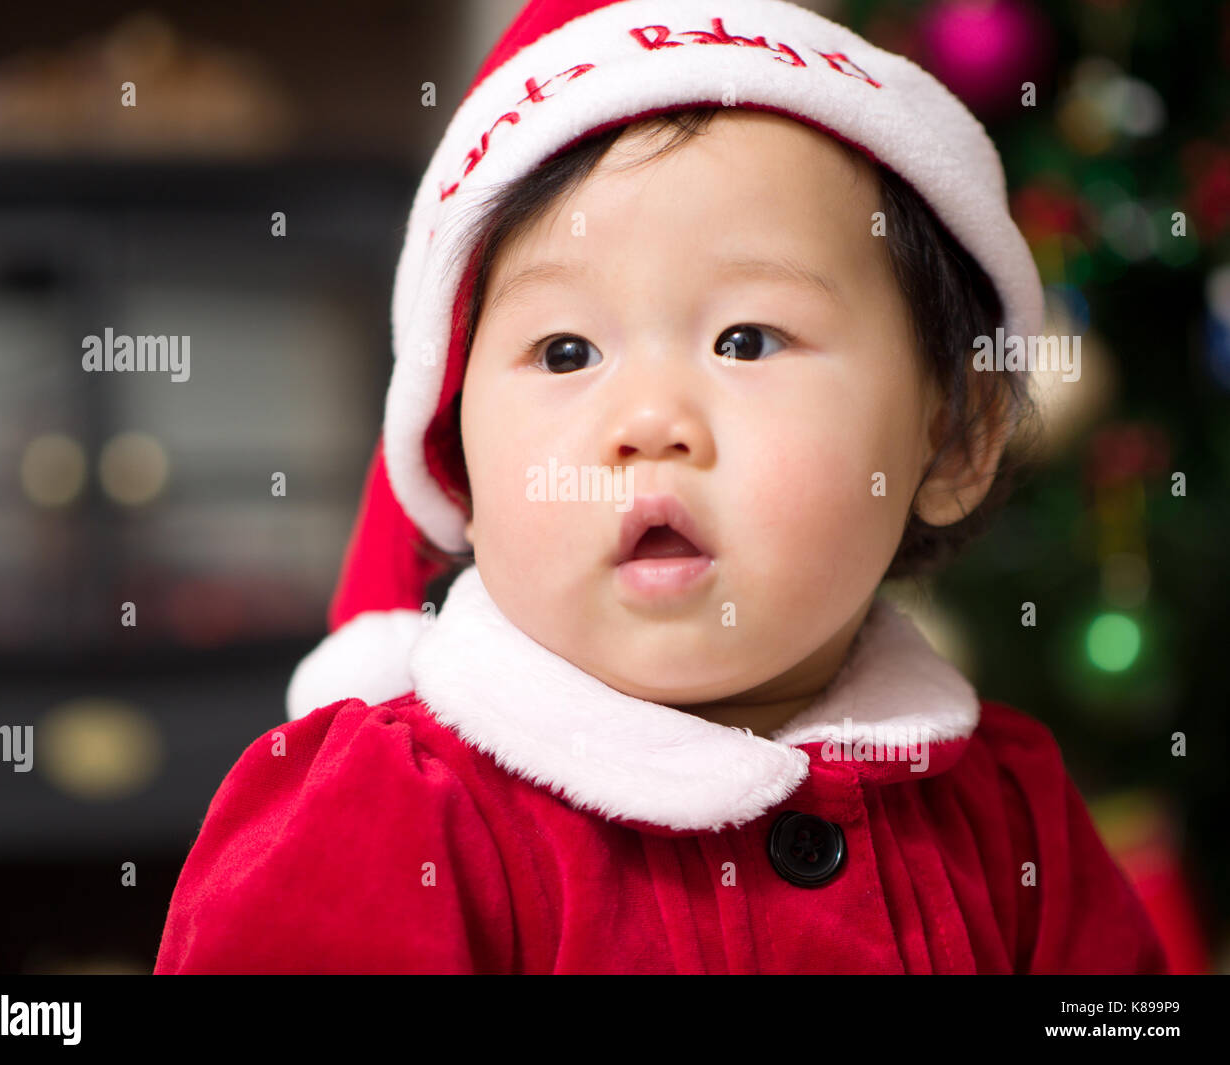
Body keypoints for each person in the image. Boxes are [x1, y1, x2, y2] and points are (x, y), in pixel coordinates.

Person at [154, 0, 1168, 974]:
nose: (648, 423)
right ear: (455, 455)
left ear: (950, 440)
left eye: (745, 340)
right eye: (563, 352)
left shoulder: (1002, 811)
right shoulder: (388, 820)